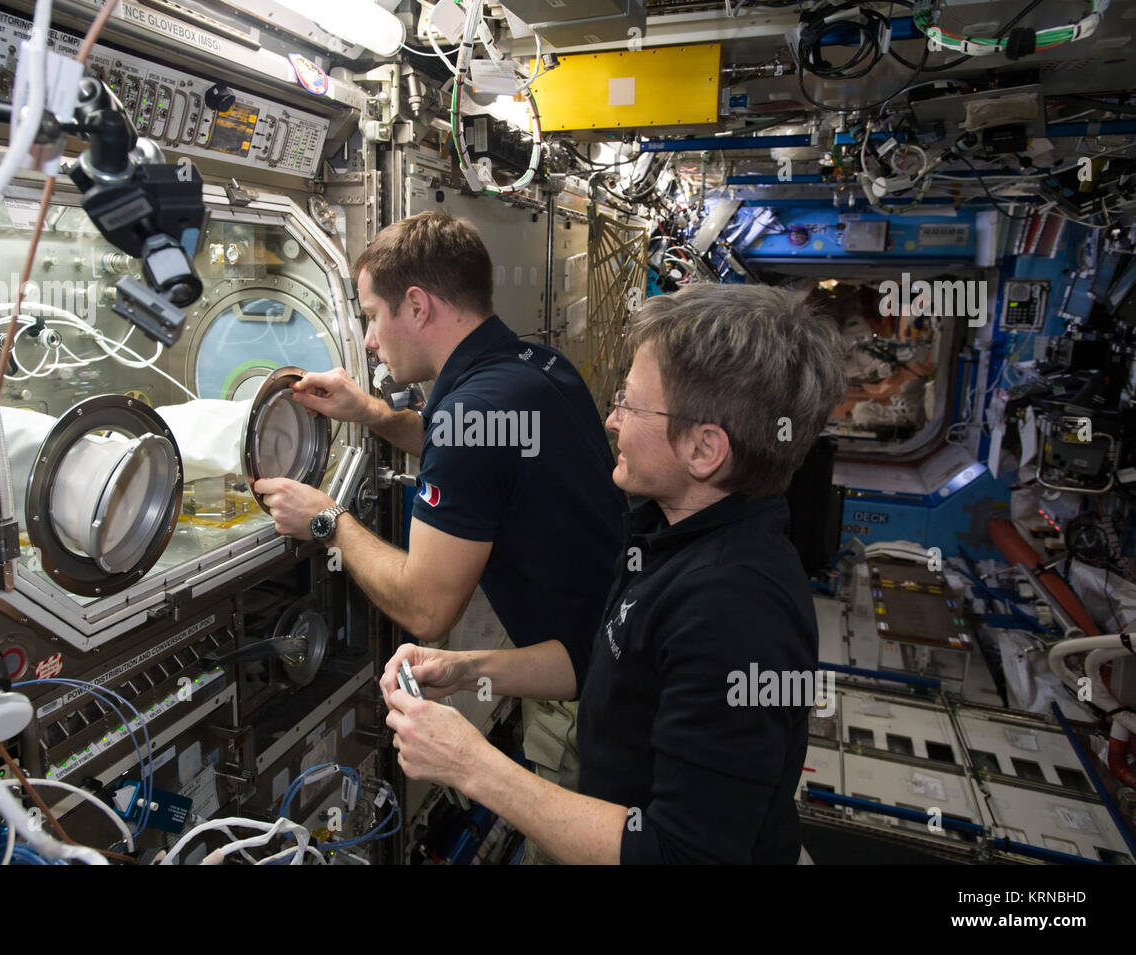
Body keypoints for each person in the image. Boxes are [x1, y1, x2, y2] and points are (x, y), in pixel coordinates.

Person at [380, 282, 848, 864]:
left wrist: (471, 764)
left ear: (705, 451)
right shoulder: (670, 532)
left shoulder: (733, 610)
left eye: (630, 404)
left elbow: (676, 855)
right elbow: (606, 664)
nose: (610, 421)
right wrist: (467, 668)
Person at [254, 211, 625, 800]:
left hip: (589, 704)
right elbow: (472, 446)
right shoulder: (536, 367)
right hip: (606, 649)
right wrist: (371, 413)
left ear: (418, 306)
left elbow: (427, 611)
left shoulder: (469, 413)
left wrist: (327, 521)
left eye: (374, 317)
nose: (370, 341)